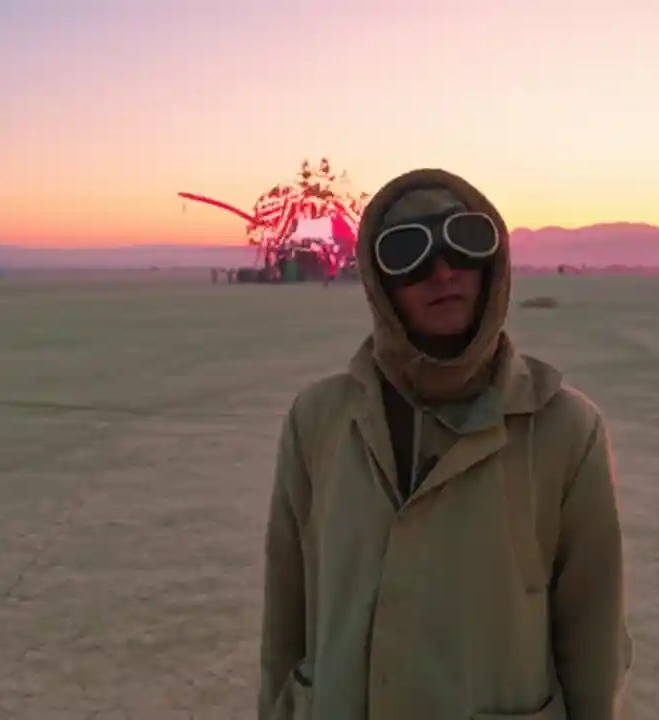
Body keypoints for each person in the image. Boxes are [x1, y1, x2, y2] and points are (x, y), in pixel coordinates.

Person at [259, 168, 632, 720]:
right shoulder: (318, 422)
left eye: (465, 242)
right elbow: (286, 617)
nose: (442, 271)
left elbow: (594, 636)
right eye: (407, 251)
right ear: (380, 284)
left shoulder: (564, 430)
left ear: (493, 264)